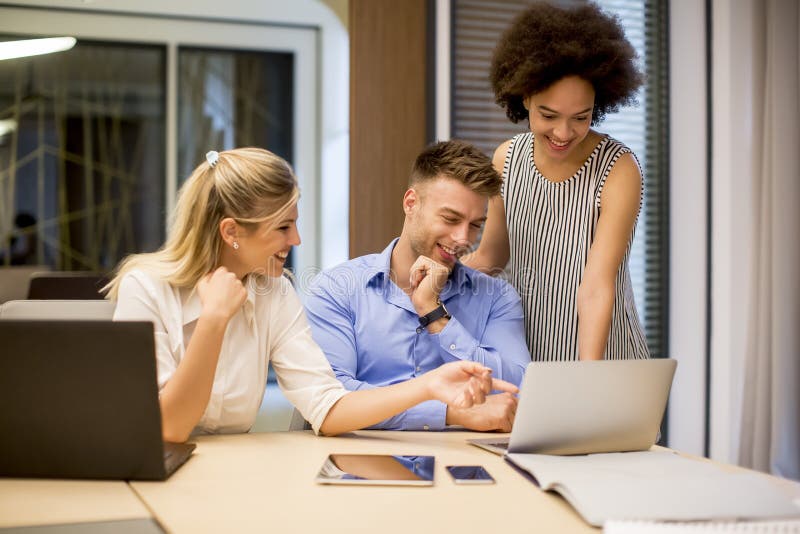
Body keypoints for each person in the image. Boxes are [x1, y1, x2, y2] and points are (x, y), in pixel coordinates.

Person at [105, 147, 517, 443]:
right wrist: (213, 320)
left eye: (295, 224)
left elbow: (326, 407)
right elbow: (168, 429)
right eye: (282, 227)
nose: (296, 239)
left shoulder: (273, 294)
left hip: (232, 477)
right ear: (231, 232)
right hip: (151, 476)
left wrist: (428, 387)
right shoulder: (146, 288)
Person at [463, 1, 650, 362]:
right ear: (525, 95)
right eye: (548, 115)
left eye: (581, 117)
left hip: (598, 354)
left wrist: (583, 375)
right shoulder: (507, 158)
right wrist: (444, 273)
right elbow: (493, 255)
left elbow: (597, 287)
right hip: (526, 350)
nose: (564, 133)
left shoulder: (618, 169)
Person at [305, 140, 530, 433]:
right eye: (451, 219)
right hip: (362, 463)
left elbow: (516, 391)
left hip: (466, 464)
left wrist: (434, 314)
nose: (464, 238)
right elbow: (332, 401)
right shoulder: (336, 290)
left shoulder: (497, 298)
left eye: (476, 225)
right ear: (411, 203)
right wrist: (450, 412)